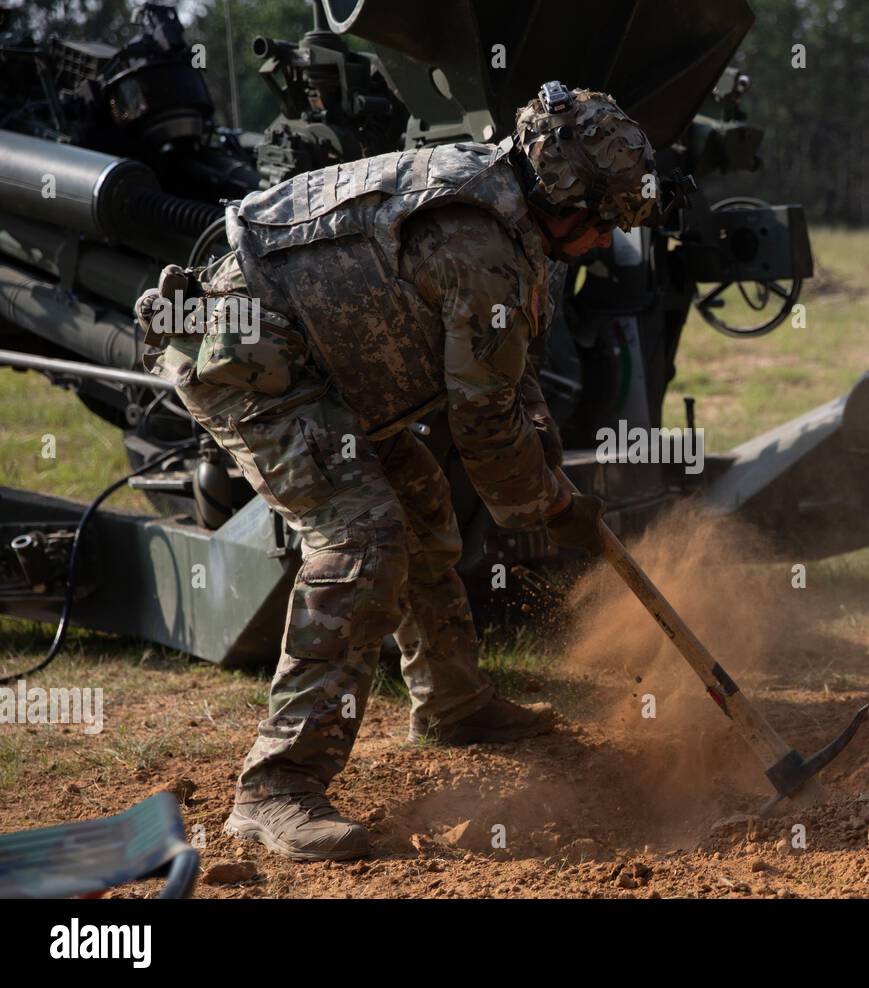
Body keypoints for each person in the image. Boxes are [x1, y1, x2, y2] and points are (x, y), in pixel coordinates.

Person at [134, 83, 654, 860]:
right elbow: (483, 431)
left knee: (418, 508)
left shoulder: (501, 201)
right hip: (249, 362)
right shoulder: (482, 250)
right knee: (364, 540)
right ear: (571, 201)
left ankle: (452, 704)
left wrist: (552, 477)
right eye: (606, 221)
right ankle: (276, 787)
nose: (604, 242)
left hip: (326, 365)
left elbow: (510, 380)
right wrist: (553, 506)